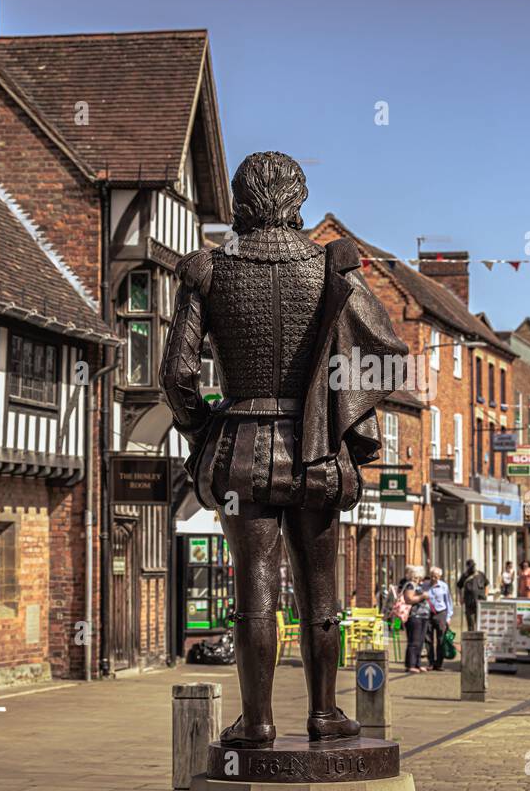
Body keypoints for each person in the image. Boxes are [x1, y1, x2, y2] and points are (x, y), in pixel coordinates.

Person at [160, 151, 407, 747]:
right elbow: (380, 351)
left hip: (242, 450)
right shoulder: (331, 266)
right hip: (317, 451)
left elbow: (176, 376)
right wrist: (338, 417)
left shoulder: (207, 270)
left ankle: (260, 721)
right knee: (322, 590)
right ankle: (325, 714)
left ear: (243, 203)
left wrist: (206, 430)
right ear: (297, 202)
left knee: (255, 592)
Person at [399, 566, 432, 673]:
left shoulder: (418, 585)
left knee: (420, 642)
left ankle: (417, 664)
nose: (419, 578)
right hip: (415, 616)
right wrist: (423, 596)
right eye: (418, 575)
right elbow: (409, 599)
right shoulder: (410, 585)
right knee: (414, 641)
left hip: (423, 616)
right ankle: (410, 665)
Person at [423, 567, 453, 671]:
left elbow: (448, 601)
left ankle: (439, 663)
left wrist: (448, 616)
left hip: (441, 613)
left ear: (439, 576)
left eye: (435, 576)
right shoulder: (425, 585)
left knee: (441, 639)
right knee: (428, 639)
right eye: (431, 575)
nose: (433, 578)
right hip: (428, 614)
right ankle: (431, 662)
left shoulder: (444, 586)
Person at [456, 559, 488, 631]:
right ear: (467, 567)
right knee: (471, 623)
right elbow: (459, 587)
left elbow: (486, 585)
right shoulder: (464, 576)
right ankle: (471, 639)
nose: (472, 568)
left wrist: (486, 595)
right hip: (469, 603)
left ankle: (480, 639)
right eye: (470, 567)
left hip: (480, 602)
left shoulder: (481, 574)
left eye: (473, 566)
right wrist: (460, 598)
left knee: (480, 622)